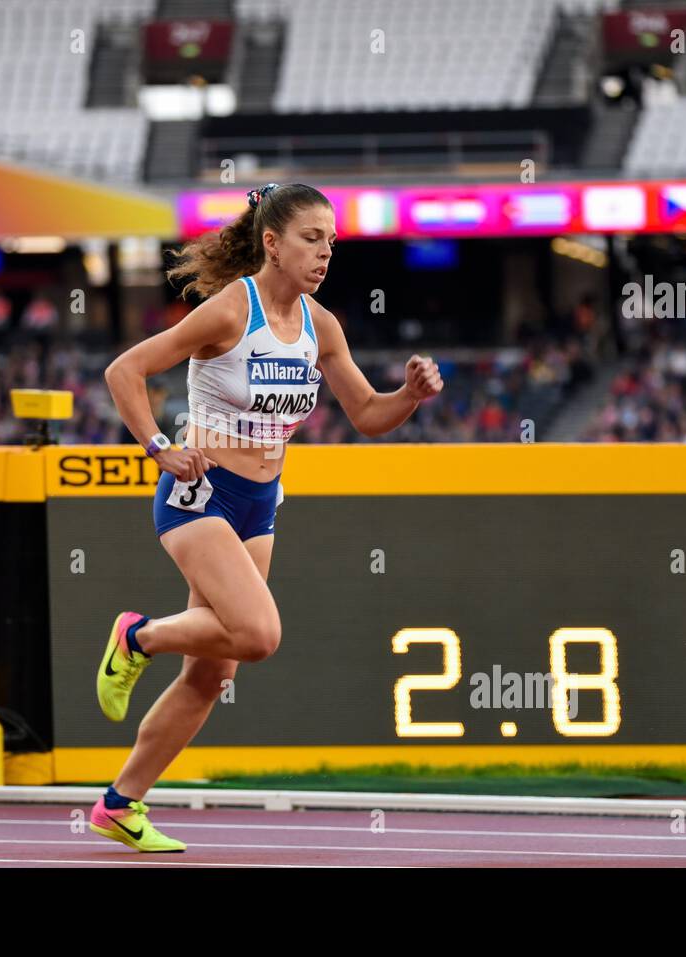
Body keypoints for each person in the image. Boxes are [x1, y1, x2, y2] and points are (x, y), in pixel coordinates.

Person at [92, 183, 443, 851]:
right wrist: (159, 446)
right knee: (257, 635)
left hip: (260, 502)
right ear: (273, 243)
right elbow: (126, 370)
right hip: (202, 492)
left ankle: (120, 803)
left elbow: (368, 416)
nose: (325, 253)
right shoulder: (229, 311)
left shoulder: (322, 326)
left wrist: (411, 395)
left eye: (332, 242)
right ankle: (137, 636)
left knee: (212, 673)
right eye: (312, 238)